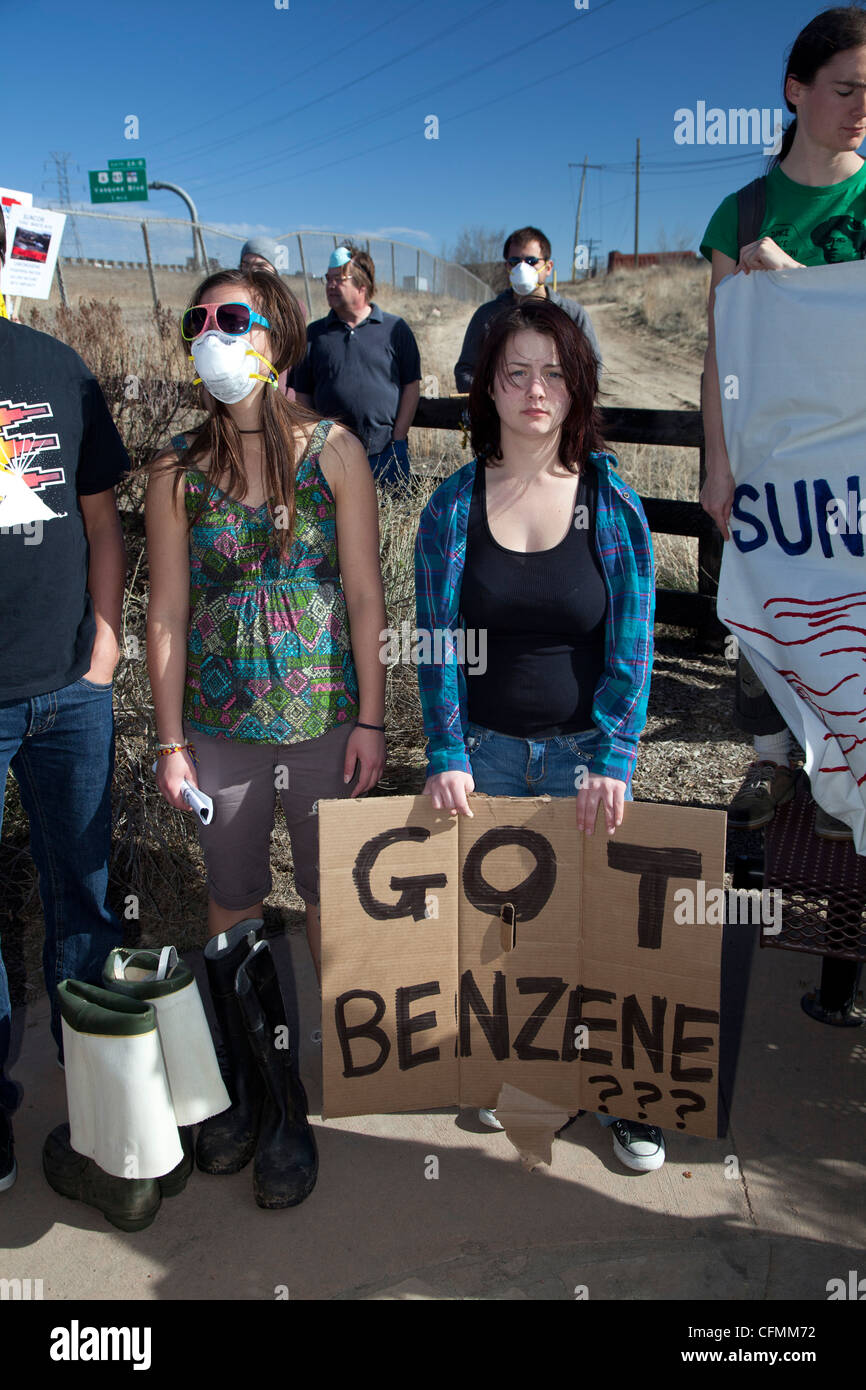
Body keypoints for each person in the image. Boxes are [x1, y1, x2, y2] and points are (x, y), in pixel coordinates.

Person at [415, 296, 661, 1171]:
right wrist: (446, 751)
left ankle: (628, 1092)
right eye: (515, 371)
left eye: (553, 372)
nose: (534, 389)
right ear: (486, 387)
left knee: (597, 931)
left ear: (576, 385)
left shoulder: (611, 501)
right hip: (482, 754)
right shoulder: (451, 506)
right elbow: (436, 641)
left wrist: (614, 754)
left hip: (580, 758)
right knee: (504, 934)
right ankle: (525, 1071)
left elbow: (633, 639)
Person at [700, 3, 866, 1022]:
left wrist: (794, 280)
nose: (859, 109)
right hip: (773, 486)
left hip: (856, 486)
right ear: (794, 91)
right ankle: (773, 781)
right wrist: (717, 464)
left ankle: (840, 970)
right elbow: (723, 357)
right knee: (773, 643)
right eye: (843, 87)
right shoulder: (738, 212)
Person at [146, 266, 387, 969]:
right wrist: (170, 745)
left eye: (230, 321)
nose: (210, 335)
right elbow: (164, 614)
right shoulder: (176, 469)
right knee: (233, 893)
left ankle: (346, 1057)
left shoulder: (336, 453)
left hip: (328, 723)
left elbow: (367, 597)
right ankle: (249, 1066)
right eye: (198, 323)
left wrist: (371, 721)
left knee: (332, 896)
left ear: (276, 337)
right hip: (219, 734)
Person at [0, 213, 128, 1193]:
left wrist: (108, 637)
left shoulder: (60, 369)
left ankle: (98, 1103)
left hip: (69, 692)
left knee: (83, 892)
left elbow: (100, 518)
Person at [293, 244, 421, 487]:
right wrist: (316, 440)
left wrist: (398, 438)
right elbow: (303, 394)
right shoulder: (314, 334)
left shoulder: (395, 329)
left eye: (338, 279)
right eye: (328, 279)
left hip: (385, 454)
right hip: (330, 454)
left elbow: (411, 386)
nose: (330, 285)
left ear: (362, 285)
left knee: (387, 521)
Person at [454, 226, 601, 393]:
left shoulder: (572, 315)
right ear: (507, 267)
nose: (522, 268)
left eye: (531, 261)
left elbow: (591, 370)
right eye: (515, 262)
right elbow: (466, 370)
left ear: (548, 267)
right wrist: (492, 399)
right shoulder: (487, 315)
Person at [238, 236, 300, 400]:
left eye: (260, 265)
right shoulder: (232, 305)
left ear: (275, 270)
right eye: (245, 265)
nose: (251, 271)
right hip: (240, 393)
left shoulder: (291, 307)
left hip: (279, 394)